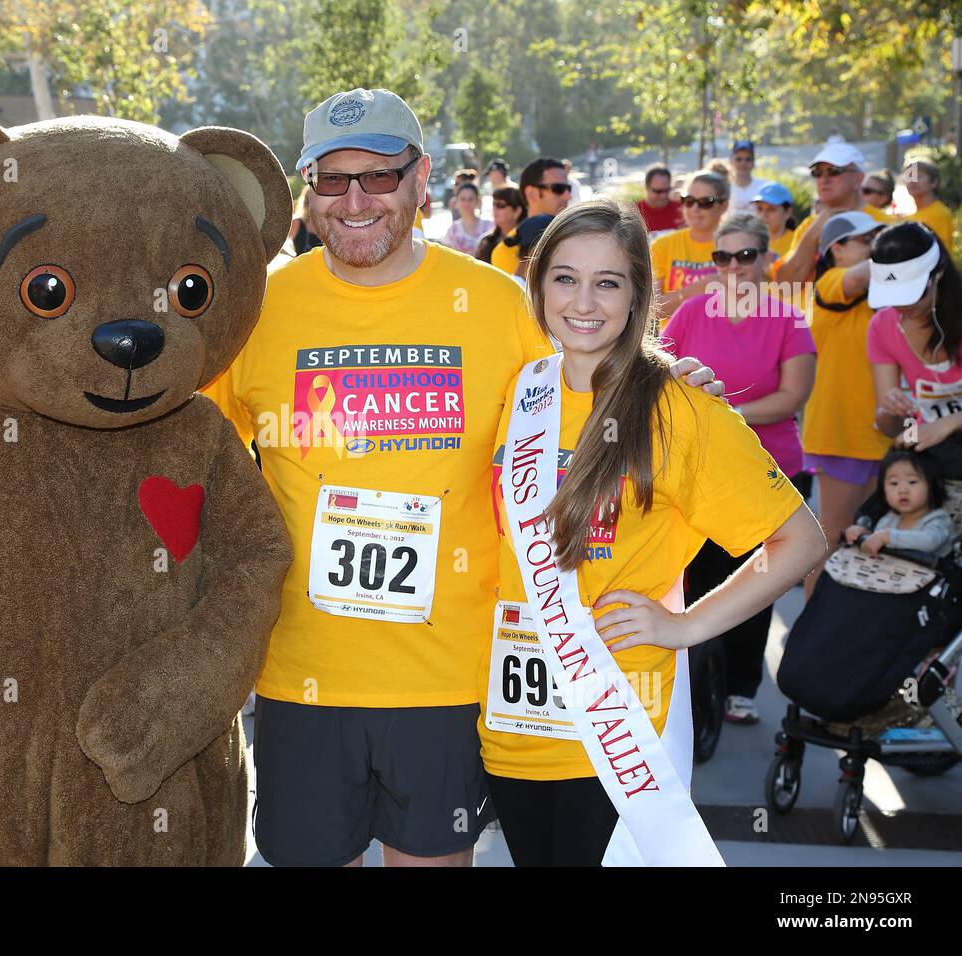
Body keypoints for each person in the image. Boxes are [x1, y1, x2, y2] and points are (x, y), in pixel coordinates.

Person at [204, 88, 720, 868]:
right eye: (332, 178)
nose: (354, 201)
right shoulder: (259, 308)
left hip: (450, 679)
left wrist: (666, 383)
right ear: (306, 184)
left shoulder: (497, 305)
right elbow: (187, 457)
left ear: (422, 178)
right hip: (301, 677)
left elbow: (591, 380)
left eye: (378, 177)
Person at [480, 199, 825, 866]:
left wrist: (688, 625)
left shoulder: (680, 407)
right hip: (513, 726)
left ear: (639, 292)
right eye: (565, 277)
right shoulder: (521, 392)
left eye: (608, 282)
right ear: (538, 283)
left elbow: (801, 541)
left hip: (619, 726)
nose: (584, 300)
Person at [663, 213, 816, 725]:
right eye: (721, 257)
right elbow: (658, 375)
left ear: (768, 261)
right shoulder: (690, 313)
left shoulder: (789, 320)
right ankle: (694, 679)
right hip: (692, 475)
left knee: (755, 580)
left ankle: (741, 685)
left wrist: (720, 415)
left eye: (745, 256)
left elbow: (793, 397)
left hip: (767, 472)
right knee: (696, 581)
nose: (732, 267)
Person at [801, 211, 892, 595]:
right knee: (832, 535)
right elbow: (861, 275)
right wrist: (901, 245)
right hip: (840, 434)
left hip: (883, 435)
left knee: (867, 538)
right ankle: (810, 635)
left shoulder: (884, 292)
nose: (874, 246)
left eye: (878, 238)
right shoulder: (830, 283)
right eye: (866, 239)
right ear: (836, 248)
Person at [868, 221, 962, 452]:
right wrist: (890, 412)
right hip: (932, 453)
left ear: (938, 273)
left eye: (911, 294)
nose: (901, 305)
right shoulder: (882, 326)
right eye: (893, 295)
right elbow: (894, 428)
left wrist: (950, 423)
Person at [776, 143, 893, 288]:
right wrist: (815, 231)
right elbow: (786, 286)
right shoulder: (810, 225)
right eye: (817, 172)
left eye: (834, 171)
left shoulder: (885, 223)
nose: (824, 179)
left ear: (858, 178)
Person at [651, 168, 730, 321]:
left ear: (724, 205)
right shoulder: (662, 246)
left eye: (705, 202)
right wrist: (695, 291)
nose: (695, 209)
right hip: (676, 342)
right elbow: (652, 309)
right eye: (689, 201)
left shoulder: (739, 248)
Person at [844, 449, 952, 557]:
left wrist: (888, 537)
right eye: (894, 483)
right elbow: (878, 539)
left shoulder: (938, 519)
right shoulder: (889, 519)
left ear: (932, 486)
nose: (902, 490)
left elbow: (930, 542)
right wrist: (864, 534)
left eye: (912, 482)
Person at [509, 157, 571, 263]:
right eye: (558, 189)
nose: (568, 196)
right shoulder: (507, 251)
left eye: (569, 189)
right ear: (531, 194)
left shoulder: (573, 239)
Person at [904, 159, 953, 254]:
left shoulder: (939, 214)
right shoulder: (913, 214)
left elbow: (940, 254)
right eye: (909, 176)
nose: (912, 181)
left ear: (934, 182)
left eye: (919, 176)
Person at [475, 186, 526, 275]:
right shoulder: (485, 242)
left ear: (517, 211)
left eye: (500, 205)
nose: (495, 209)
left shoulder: (528, 243)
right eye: (494, 204)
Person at [749, 182, 797, 265]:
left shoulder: (797, 243)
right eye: (759, 209)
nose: (764, 215)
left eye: (771, 209)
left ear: (787, 213)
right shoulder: (746, 240)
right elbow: (732, 275)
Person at [442, 181, 492, 255]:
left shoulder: (489, 226)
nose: (467, 203)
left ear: (477, 201)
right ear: (457, 202)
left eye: (471, 199)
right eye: (463, 199)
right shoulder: (452, 230)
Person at [636, 164, 684, 236]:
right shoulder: (635, 213)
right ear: (647, 187)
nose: (663, 195)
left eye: (666, 190)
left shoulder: (682, 210)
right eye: (658, 191)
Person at [727, 139, 774, 212]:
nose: (743, 163)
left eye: (748, 159)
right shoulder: (724, 188)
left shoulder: (764, 188)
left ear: (753, 162)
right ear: (731, 161)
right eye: (738, 159)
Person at [288, 185, 323, 256]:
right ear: (305, 202)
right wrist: (292, 256)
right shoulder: (297, 223)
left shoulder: (328, 224)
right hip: (301, 266)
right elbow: (280, 245)